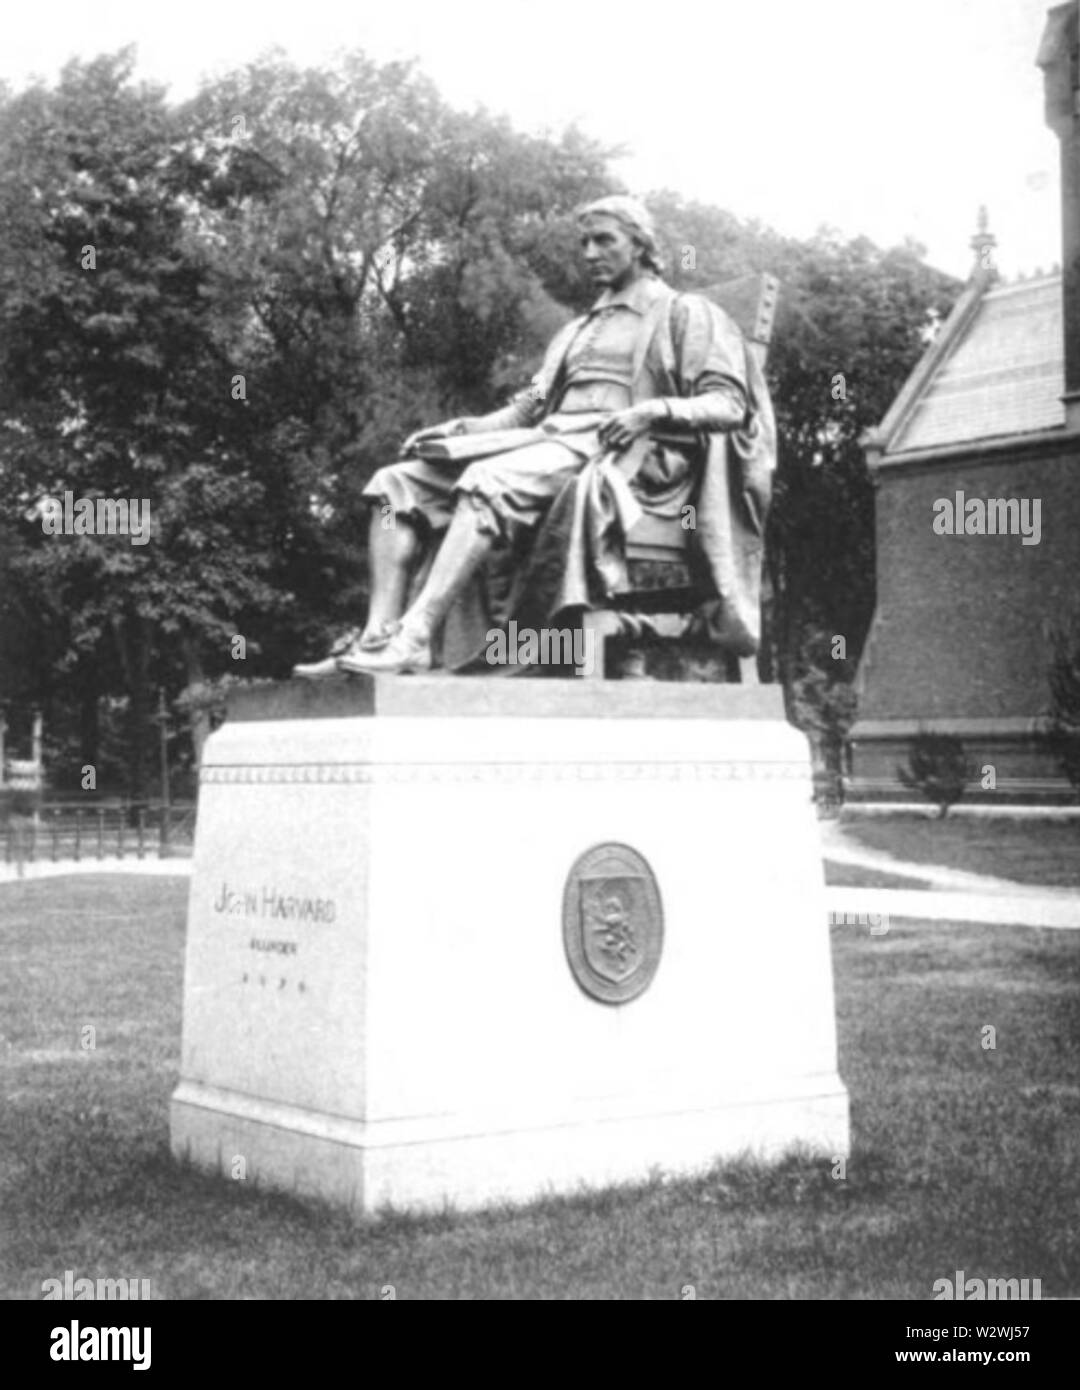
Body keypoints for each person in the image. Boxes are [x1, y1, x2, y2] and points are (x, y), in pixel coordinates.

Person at [293, 195, 775, 678]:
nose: (589, 252)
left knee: (487, 480)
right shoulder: (576, 331)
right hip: (549, 442)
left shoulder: (686, 313)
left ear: (641, 246)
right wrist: (464, 428)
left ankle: (416, 636)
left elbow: (729, 405)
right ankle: (379, 636)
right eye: (585, 241)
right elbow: (528, 407)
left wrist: (651, 411)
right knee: (394, 484)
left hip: (626, 459)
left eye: (604, 240)